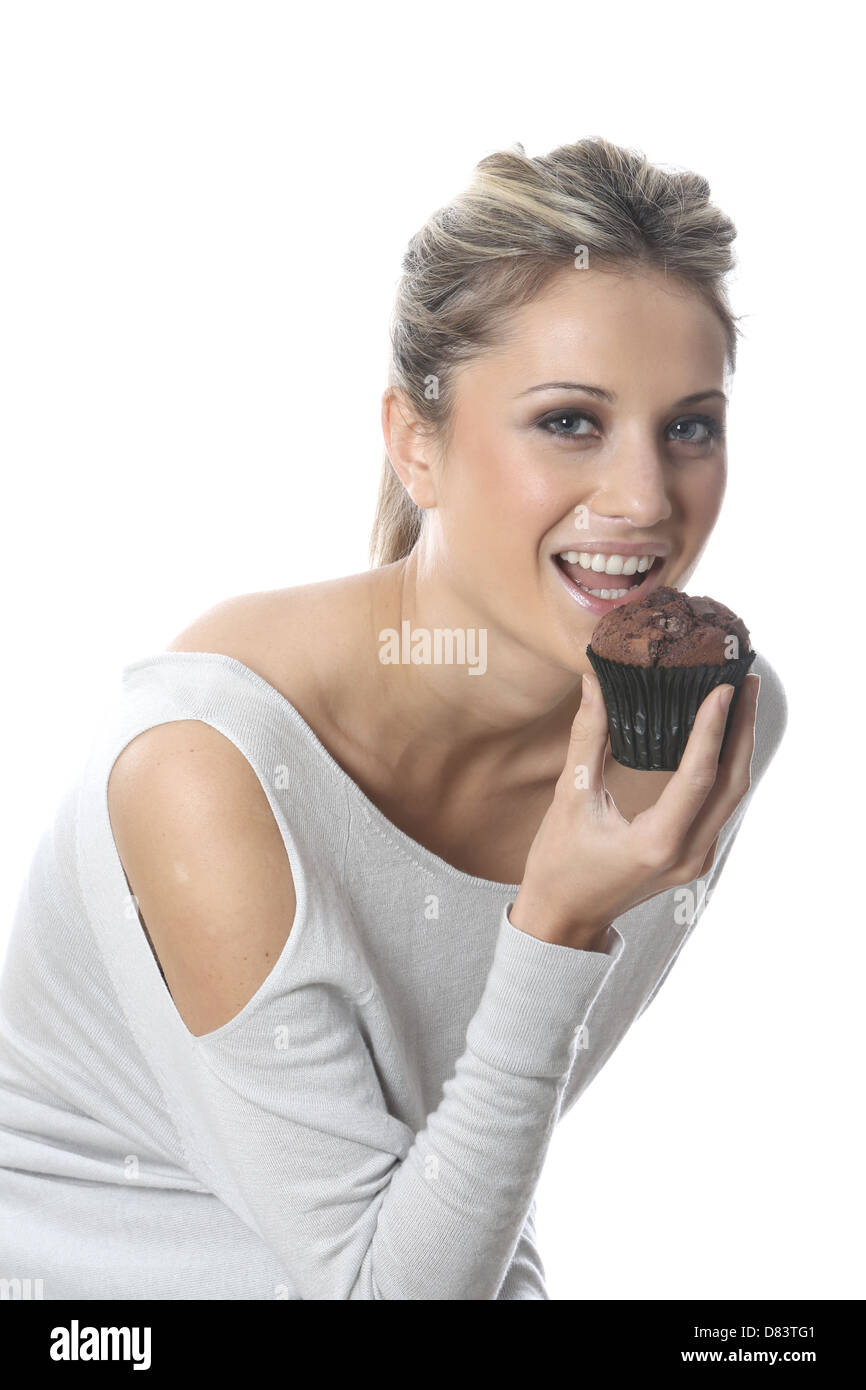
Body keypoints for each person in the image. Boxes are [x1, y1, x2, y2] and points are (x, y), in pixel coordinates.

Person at [0, 136, 786, 1300]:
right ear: (416, 442)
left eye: (687, 426)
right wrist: (556, 920)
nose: (642, 500)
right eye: (568, 420)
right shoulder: (202, 770)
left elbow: (466, 1159)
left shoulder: (710, 719)